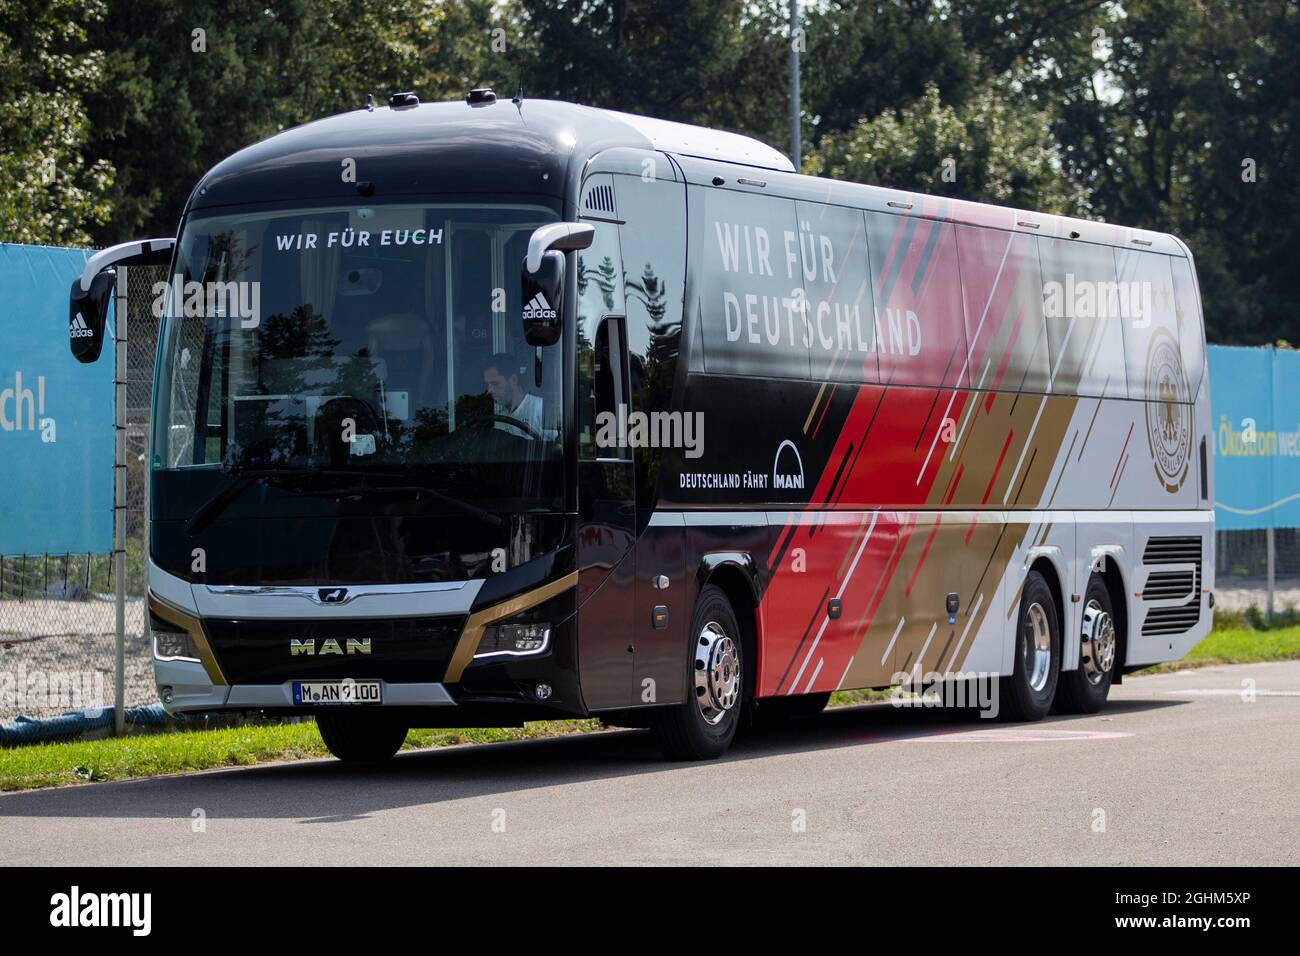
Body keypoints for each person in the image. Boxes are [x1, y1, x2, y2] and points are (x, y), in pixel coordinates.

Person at [482, 352, 553, 439]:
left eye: (495, 384)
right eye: (488, 384)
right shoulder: (500, 419)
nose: (489, 390)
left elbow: (560, 443)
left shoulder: (540, 408)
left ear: (513, 380)